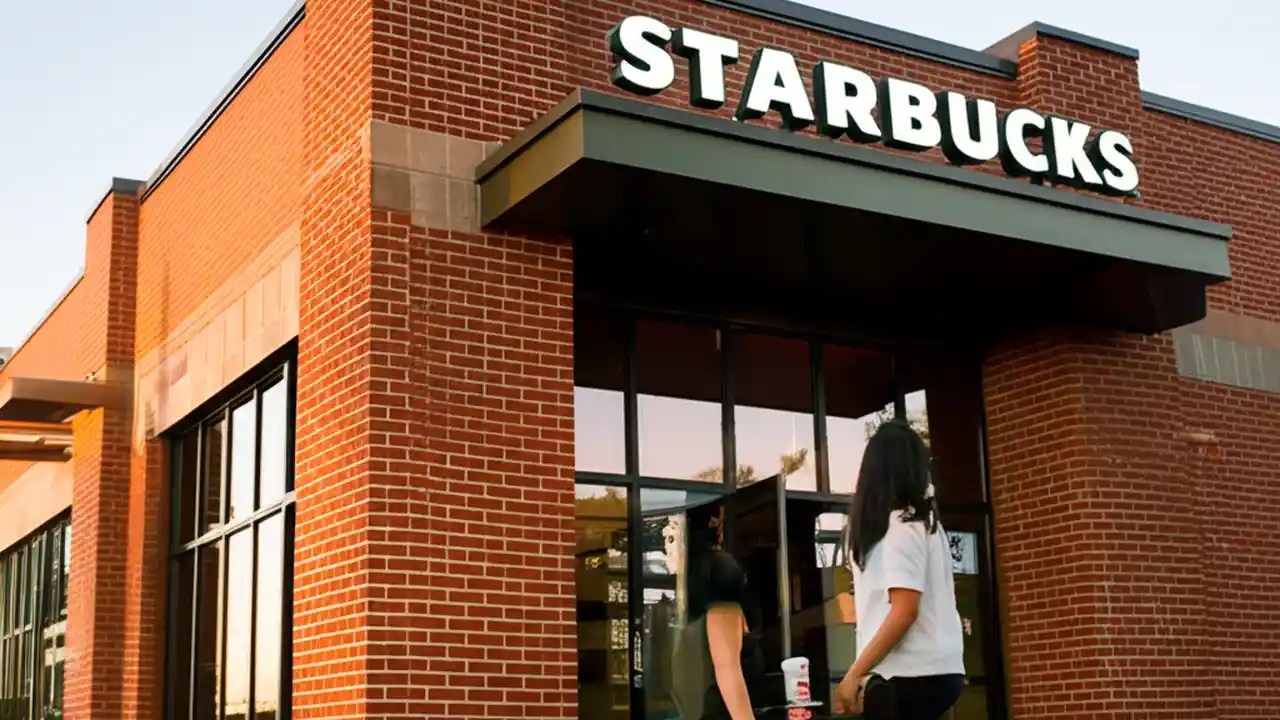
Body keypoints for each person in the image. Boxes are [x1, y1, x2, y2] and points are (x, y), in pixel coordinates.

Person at [834, 419, 965, 720]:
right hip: (935, 669)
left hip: (908, 673)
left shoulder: (901, 527)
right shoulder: (926, 526)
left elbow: (905, 610)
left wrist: (854, 674)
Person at [671, 505, 762, 720]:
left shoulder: (691, 573)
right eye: (721, 518)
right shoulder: (719, 568)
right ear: (713, 522)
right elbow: (727, 666)